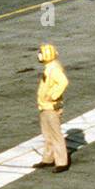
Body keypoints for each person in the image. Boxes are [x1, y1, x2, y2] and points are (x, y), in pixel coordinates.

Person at [34, 43, 69, 172]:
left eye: (41, 53)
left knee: (55, 135)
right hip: (44, 106)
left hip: (51, 107)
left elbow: (63, 82)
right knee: (47, 134)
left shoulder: (54, 69)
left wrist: (53, 95)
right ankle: (48, 158)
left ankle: (62, 162)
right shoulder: (49, 67)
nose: (39, 55)